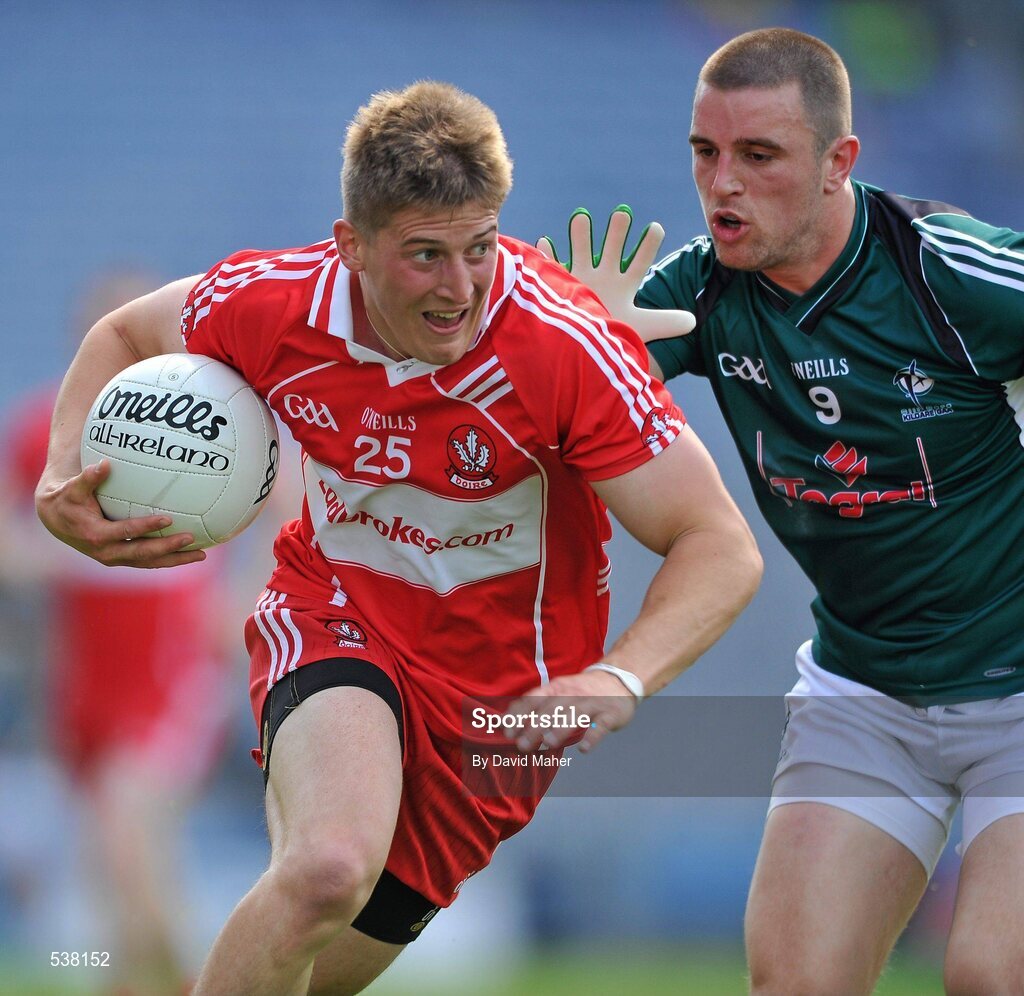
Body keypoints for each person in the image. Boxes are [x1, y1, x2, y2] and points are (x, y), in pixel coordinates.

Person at [35, 82, 761, 995]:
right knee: (326, 870)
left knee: (304, 971)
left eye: (480, 248)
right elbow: (125, 331)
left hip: (500, 708)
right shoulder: (276, 303)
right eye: (425, 255)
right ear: (352, 248)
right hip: (335, 612)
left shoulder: (564, 346)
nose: (460, 289)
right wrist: (62, 476)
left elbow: (718, 544)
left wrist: (619, 676)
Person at [540, 26, 1024, 995]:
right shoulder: (696, 294)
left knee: (987, 972)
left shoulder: (950, 274)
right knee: (794, 982)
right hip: (865, 690)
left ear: (838, 162)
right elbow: (542, 425)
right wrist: (576, 353)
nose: (723, 183)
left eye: (758, 156)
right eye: (704, 152)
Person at [1, 273, 234, 995]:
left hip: (171, 678)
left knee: (129, 841)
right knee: (112, 883)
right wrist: (65, 554)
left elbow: (287, 501)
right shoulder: (43, 429)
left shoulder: (202, 425)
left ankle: (212, 985)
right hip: (83, 686)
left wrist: (243, 606)